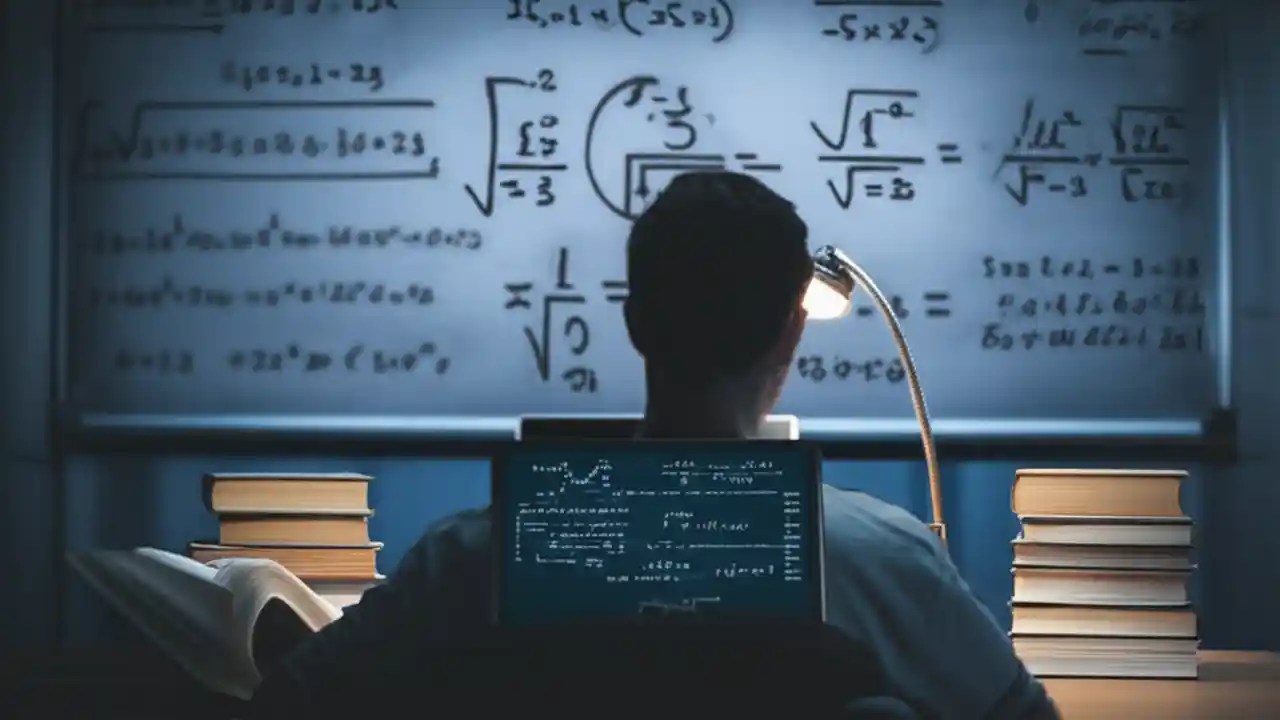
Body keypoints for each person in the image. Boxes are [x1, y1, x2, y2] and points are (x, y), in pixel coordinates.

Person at [249, 171, 1058, 719]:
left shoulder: (464, 564)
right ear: (792, 332)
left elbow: (287, 704)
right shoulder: (886, 561)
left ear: (634, 325)